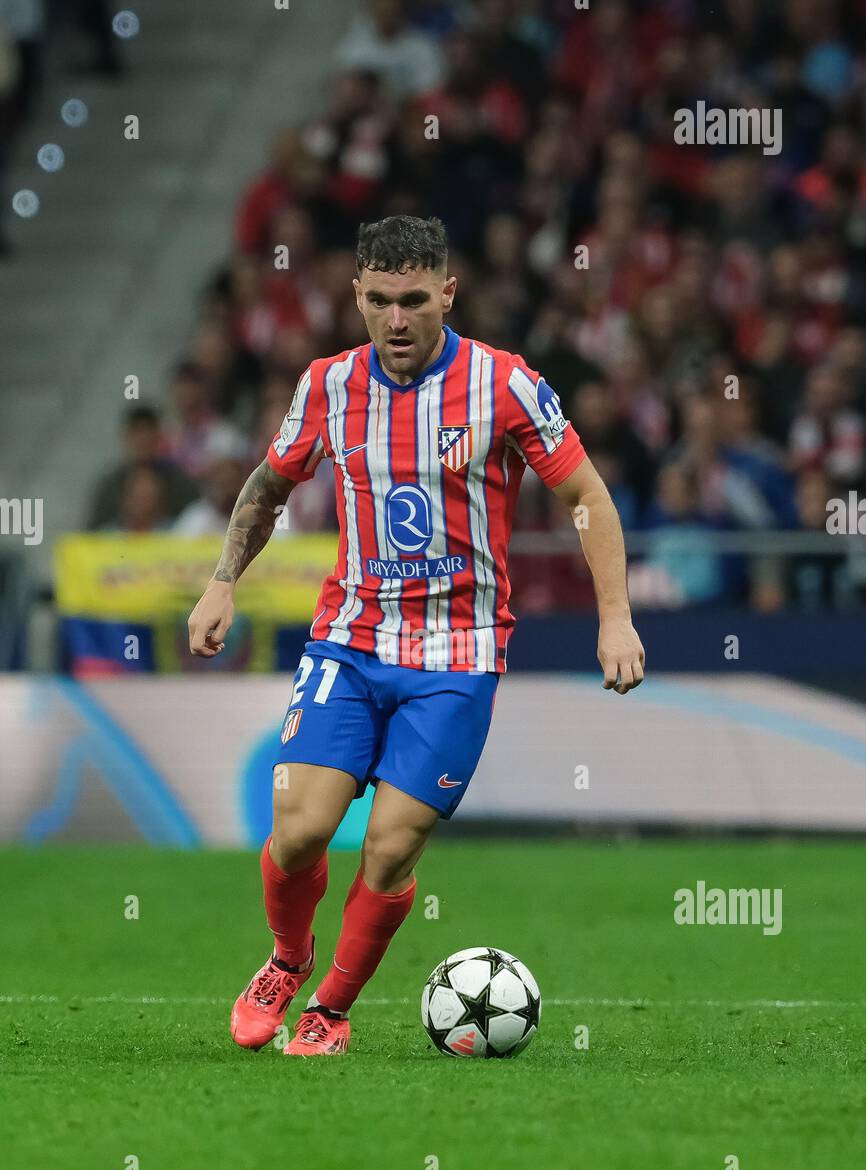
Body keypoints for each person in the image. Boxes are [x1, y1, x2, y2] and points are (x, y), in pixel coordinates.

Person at [187, 215, 645, 1057]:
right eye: (377, 301)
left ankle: (330, 1008)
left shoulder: (504, 383)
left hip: (458, 654)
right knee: (296, 833)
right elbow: (268, 484)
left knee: (392, 849)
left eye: (412, 301)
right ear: (356, 295)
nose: (395, 320)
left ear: (446, 293)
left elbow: (587, 493)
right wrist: (224, 581)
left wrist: (613, 615)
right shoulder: (327, 385)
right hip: (352, 639)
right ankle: (289, 959)